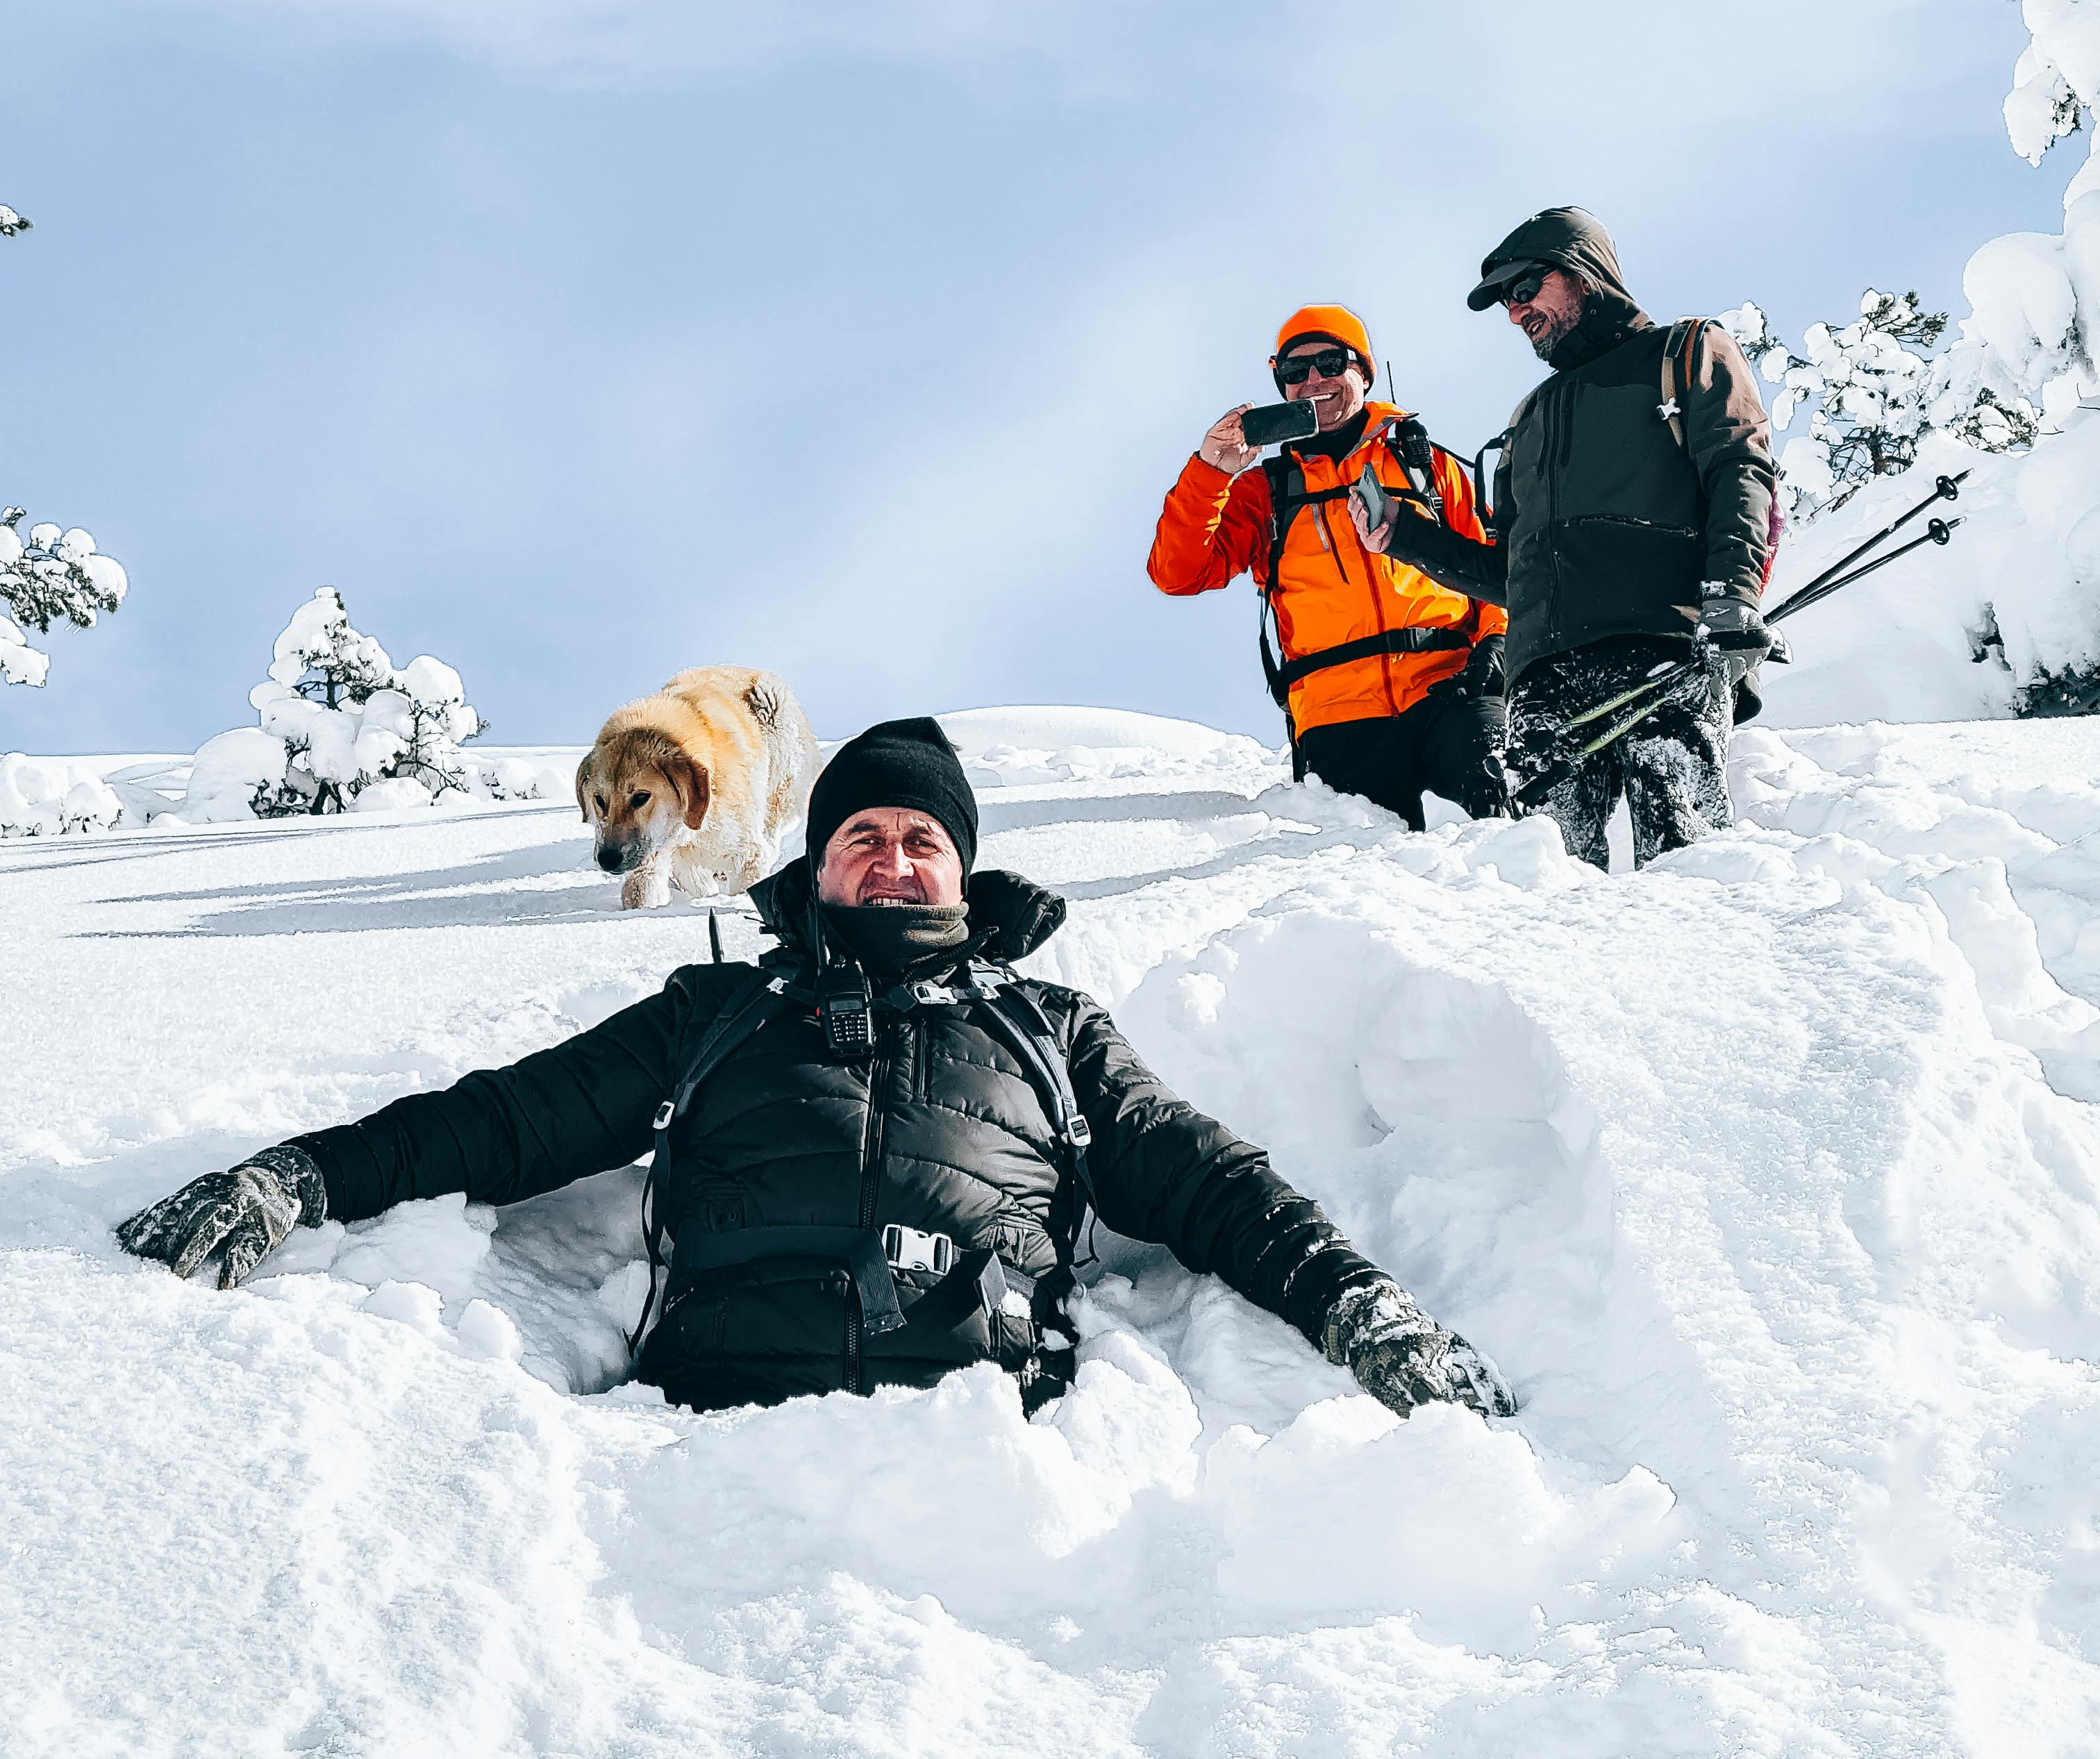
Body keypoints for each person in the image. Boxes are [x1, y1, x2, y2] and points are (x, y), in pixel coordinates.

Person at [117, 717, 1515, 1427]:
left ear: (962, 872)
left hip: (989, 1464)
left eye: (923, 837)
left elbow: (1212, 1185)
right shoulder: (717, 1013)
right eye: (865, 834)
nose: (893, 857)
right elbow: (503, 1124)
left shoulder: (1052, 1028)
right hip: (703, 1463)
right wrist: (297, 1175)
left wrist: (1363, 1313)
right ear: (822, 861)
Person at [1351, 208, 1777, 871]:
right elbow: (1513, 575)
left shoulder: (1685, 351)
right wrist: (1403, 536)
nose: (1516, 314)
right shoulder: (1528, 420)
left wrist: (1731, 594)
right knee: (1549, 891)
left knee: (1684, 867)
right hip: (1542, 683)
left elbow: (1739, 470)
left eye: (1525, 290)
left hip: (1661, 651)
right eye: (1506, 305)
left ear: (1582, 271)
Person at [1147, 303, 1510, 828]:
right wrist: (1210, 472)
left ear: (1363, 370)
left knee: (1509, 820)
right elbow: (1177, 574)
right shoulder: (1263, 491)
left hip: (1450, 686)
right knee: (1361, 877)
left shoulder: (1426, 466)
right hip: (1338, 715)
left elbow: (1494, 570)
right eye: (1295, 372)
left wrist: (1496, 643)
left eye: (1330, 362)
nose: (1313, 379)